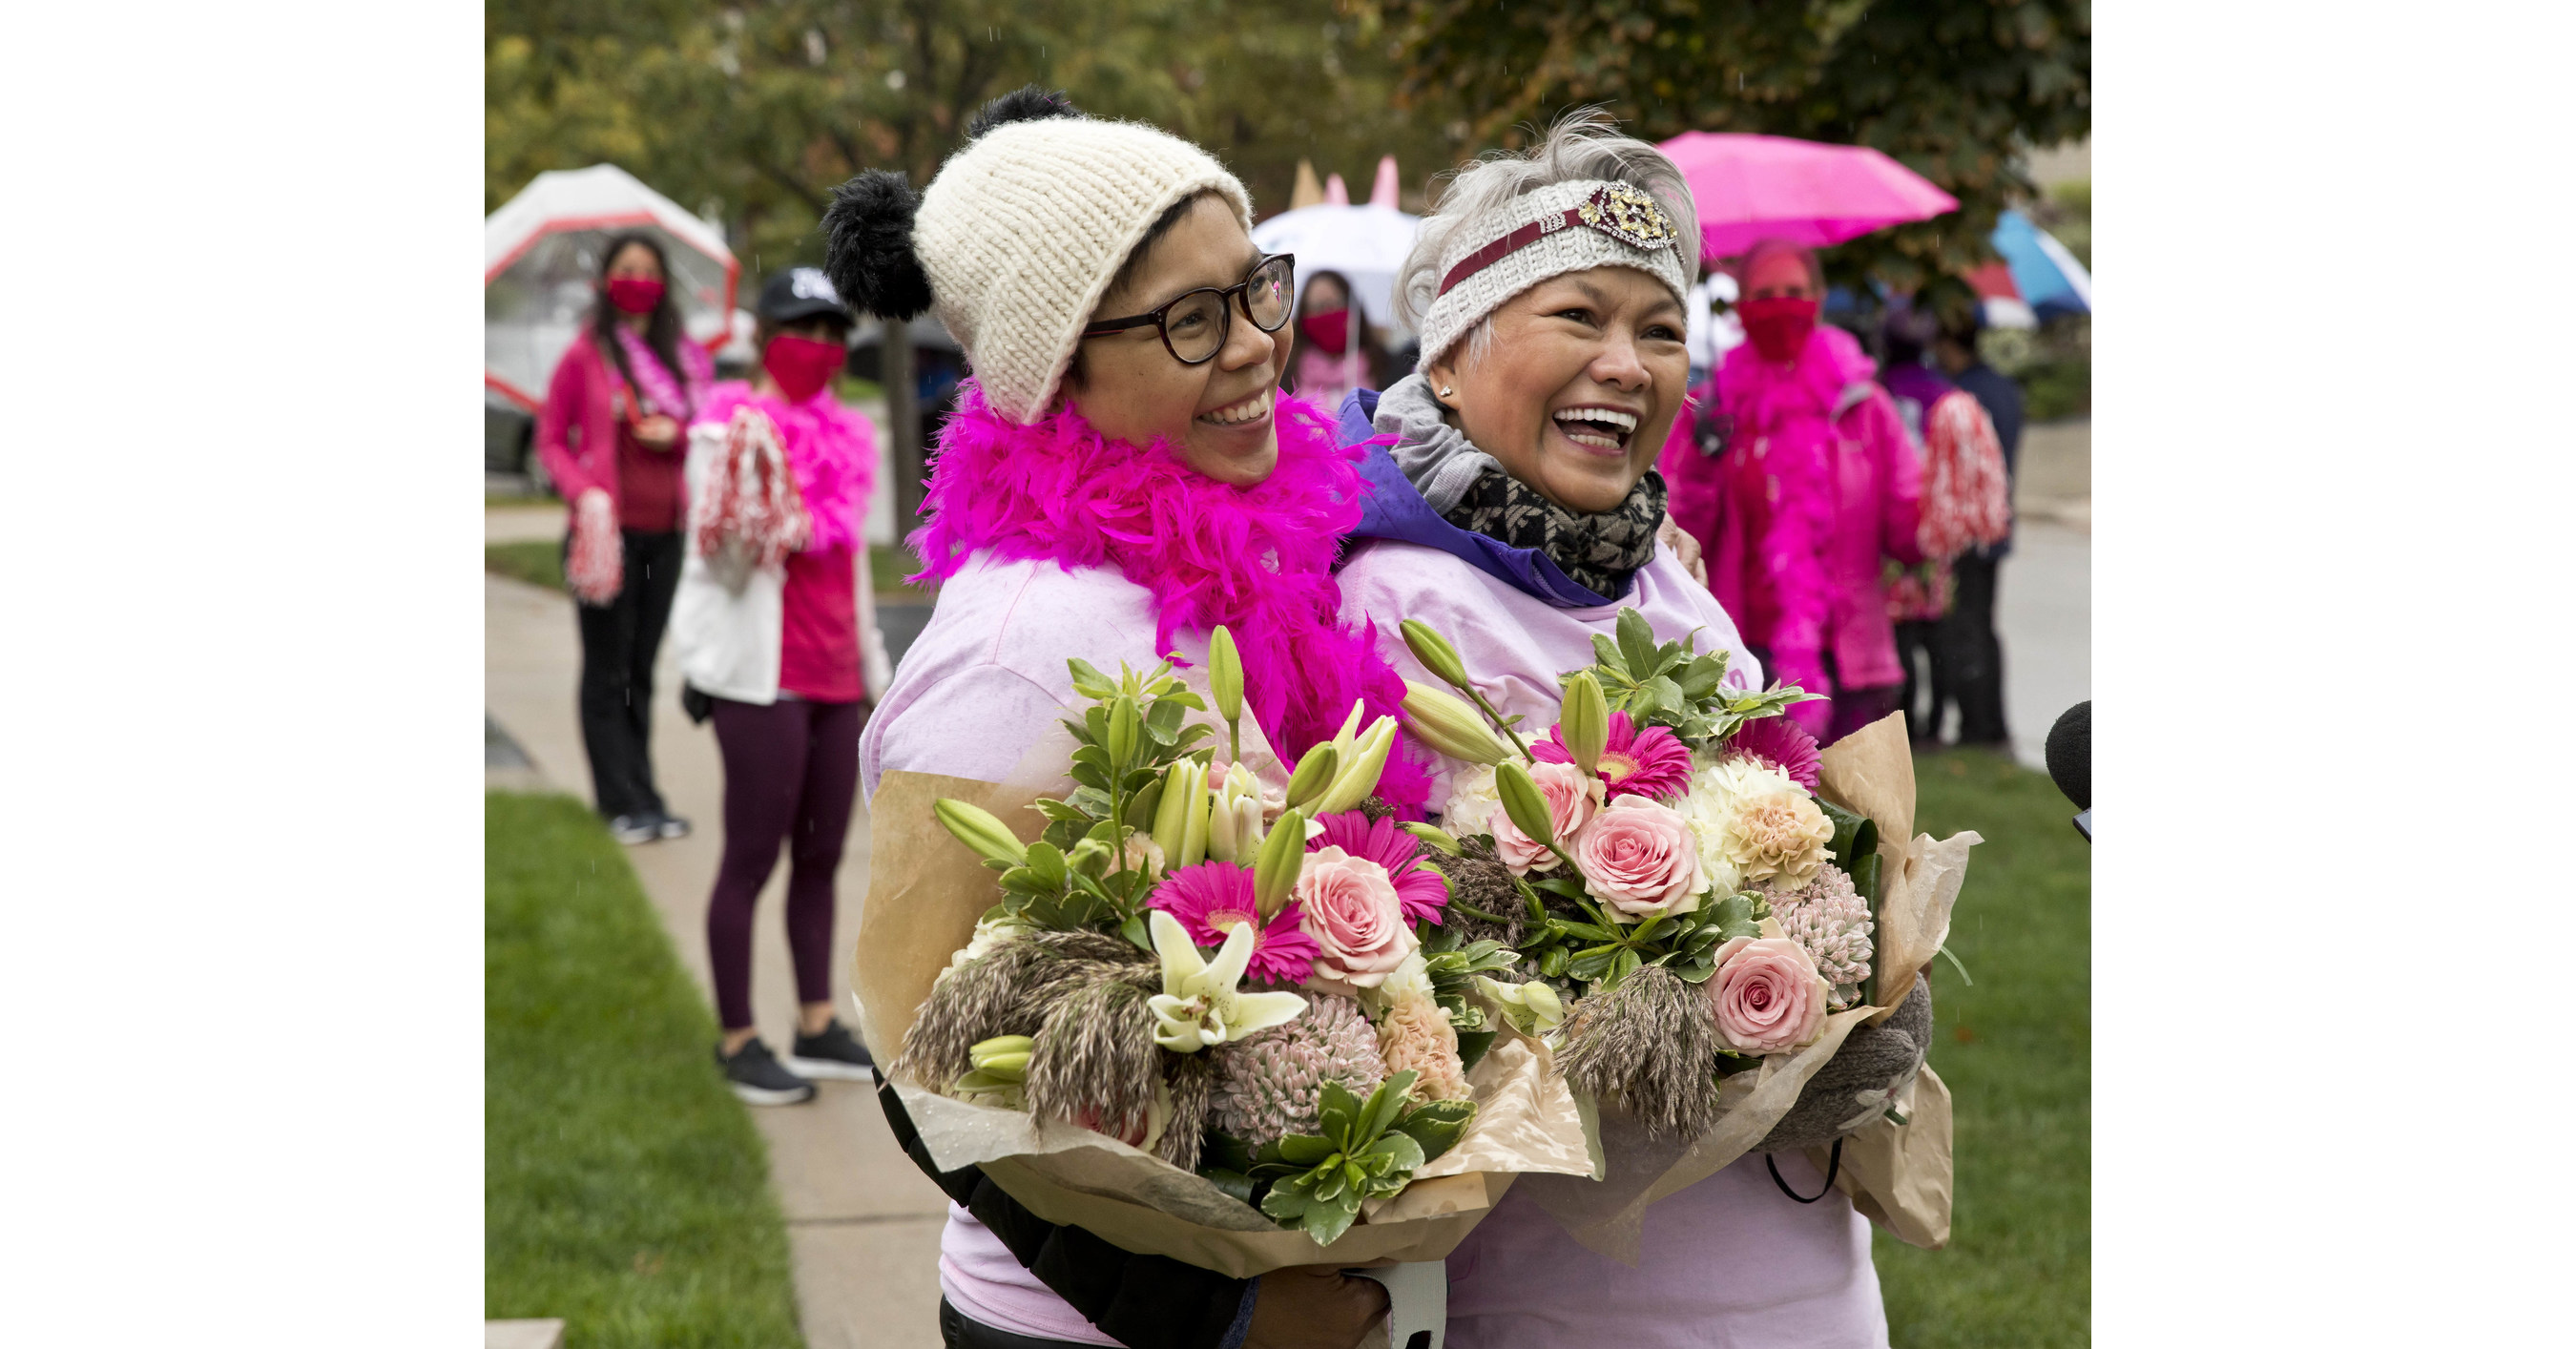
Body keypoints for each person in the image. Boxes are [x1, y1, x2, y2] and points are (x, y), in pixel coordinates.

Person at [1330, 111, 1930, 1349]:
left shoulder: (1656, 563)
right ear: (1451, 355)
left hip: (1794, 1251)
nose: (1628, 363)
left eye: (1662, 330)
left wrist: (1858, 963)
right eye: (1580, 316)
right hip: (1573, 1276)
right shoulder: (1399, 602)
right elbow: (1452, 971)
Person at [824, 87, 1408, 1349]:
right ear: (1055, 368)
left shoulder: (1260, 550)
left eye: (1256, 289)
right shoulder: (1022, 649)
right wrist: (1221, 1313)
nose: (1256, 345)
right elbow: (922, 1069)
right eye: (1192, 320)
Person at [669, 267, 893, 1105]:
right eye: (805, 329)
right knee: (751, 858)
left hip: (835, 679)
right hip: (762, 684)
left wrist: (875, 675)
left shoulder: (851, 440)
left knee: (822, 859)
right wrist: (752, 486)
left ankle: (815, 1022)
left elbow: (852, 572)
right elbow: (722, 566)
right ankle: (738, 1039)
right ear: (764, 337)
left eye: (835, 333)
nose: (822, 348)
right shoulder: (723, 437)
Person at [1658, 239, 1924, 744]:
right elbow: (1677, 536)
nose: (1780, 306)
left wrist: (1943, 504)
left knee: (1863, 794)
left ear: (1818, 300)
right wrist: (1701, 459)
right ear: (1740, 306)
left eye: (1794, 292)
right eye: (1764, 295)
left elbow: (1909, 536)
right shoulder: (1712, 408)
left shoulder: (1865, 406)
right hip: (1743, 654)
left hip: (1852, 659)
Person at [534, 231, 710, 843]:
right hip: (605, 539)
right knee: (607, 672)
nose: (639, 280)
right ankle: (618, 802)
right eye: (627, 268)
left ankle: (645, 794)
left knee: (640, 671)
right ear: (606, 280)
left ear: (663, 284)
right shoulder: (586, 355)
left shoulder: (683, 361)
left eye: (649, 270)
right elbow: (550, 440)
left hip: (666, 536)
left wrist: (675, 435)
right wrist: (584, 491)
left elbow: (705, 432)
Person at [1878, 301, 2010, 746]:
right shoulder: (1949, 396)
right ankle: (1938, 724)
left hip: (1893, 537)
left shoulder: (1879, 396)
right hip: (1939, 535)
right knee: (1937, 632)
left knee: (1901, 634)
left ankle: (1908, 726)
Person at [1930, 310, 2025, 749]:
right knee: (1983, 626)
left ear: (1948, 343)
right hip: (1994, 526)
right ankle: (1992, 723)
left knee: (1966, 629)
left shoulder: (1964, 395)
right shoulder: (2002, 387)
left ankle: (1979, 728)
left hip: (1968, 530)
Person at [1284, 269, 1374, 410]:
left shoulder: (1384, 367)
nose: (1328, 312)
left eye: (1335, 303)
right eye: (1318, 307)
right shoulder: (1285, 372)